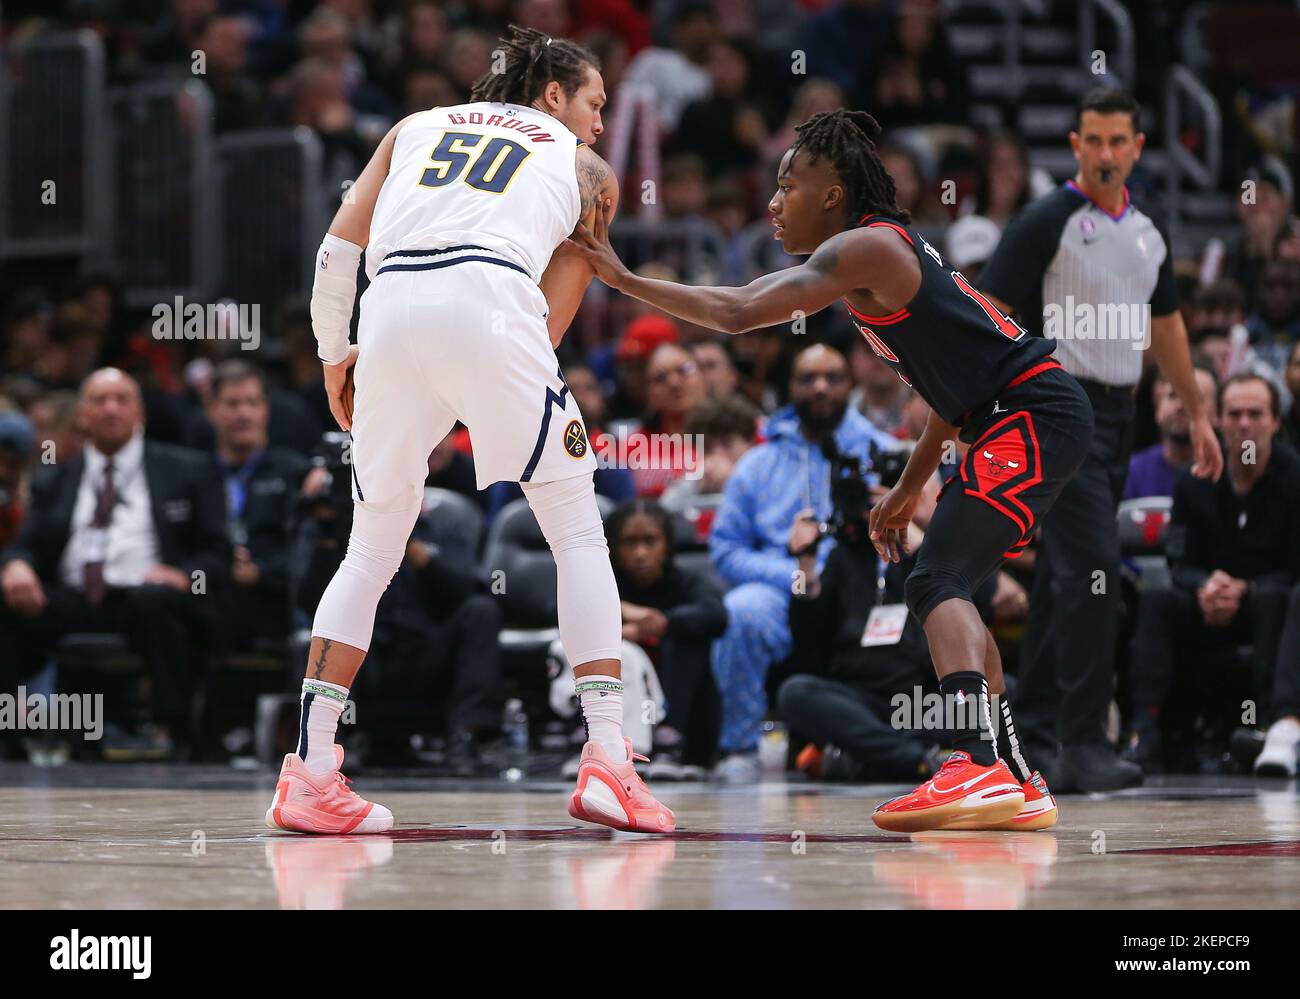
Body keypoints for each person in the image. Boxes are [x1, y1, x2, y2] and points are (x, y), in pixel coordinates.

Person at [568, 108, 1088, 831]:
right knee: (947, 580)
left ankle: (973, 762)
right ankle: (1015, 778)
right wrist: (911, 484)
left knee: (937, 579)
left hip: (1030, 411)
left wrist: (623, 278)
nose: (774, 204)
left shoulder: (864, 248)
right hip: (1009, 411)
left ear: (835, 194)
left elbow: (743, 309)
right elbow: (955, 388)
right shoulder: (881, 258)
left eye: (791, 185)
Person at [268, 25, 673, 836]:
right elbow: (552, 315)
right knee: (577, 531)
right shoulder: (588, 168)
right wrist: (492, 385)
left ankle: (311, 770)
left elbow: (335, 252)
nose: (600, 121)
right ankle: (608, 759)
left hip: (387, 312)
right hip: (491, 301)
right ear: (553, 96)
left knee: (370, 547)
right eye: (594, 102)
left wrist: (333, 355)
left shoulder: (412, 125)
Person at [977, 89, 1223, 791]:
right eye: (1094, 140)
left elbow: (1168, 325)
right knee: (1094, 569)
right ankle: (1084, 741)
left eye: (1120, 141)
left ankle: (1038, 736)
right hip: (1060, 407)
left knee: (1068, 576)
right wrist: (987, 400)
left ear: (1138, 147)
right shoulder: (1045, 221)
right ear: (1077, 146)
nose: (1107, 154)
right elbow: (988, 307)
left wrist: (1200, 415)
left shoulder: (1148, 231)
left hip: (1123, 413)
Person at [1128, 375, 1300, 770]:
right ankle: (1145, 732)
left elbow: (1294, 569)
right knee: (1157, 600)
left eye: (1255, 414)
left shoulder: (1294, 478)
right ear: (1217, 420)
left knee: (1275, 599)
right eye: (1234, 414)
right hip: (1206, 603)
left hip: (1268, 605)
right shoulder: (1193, 479)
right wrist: (1206, 585)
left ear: (1275, 421)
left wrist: (1246, 587)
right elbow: (1179, 561)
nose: (1243, 424)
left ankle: (1265, 728)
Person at [1123, 367, 1219, 501]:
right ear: (1158, 410)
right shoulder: (1132, 471)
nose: (1181, 406)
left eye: (1195, 398)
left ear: (1217, 415)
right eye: (1173, 396)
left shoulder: (1228, 475)